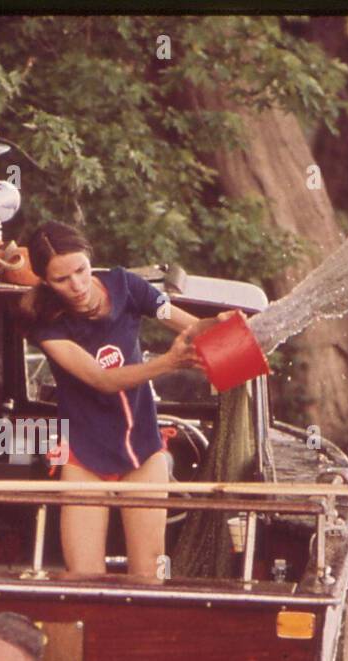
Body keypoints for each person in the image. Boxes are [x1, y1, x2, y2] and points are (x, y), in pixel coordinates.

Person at [20, 221, 238, 576]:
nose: (76, 285)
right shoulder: (45, 324)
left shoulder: (127, 285)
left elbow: (182, 322)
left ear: (90, 258)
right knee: (84, 576)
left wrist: (216, 323)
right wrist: (168, 363)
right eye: (61, 279)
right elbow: (101, 380)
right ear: (45, 281)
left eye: (81, 270)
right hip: (84, 455)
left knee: (149, 571)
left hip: (143, 448)